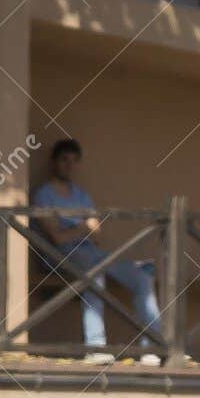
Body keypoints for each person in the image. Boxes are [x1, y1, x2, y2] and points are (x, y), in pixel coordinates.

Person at [31, 139, 164, 366]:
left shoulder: (81, 195)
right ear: (54, 162)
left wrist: (76, 229)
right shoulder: (45, 194)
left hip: (91, 252)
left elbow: (97, 233)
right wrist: (84, 227)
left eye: (74, 161)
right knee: (94, 273)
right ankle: (96, 347)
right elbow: (57, 238)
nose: (69, 165)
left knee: (143, 276)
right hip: (59, 256)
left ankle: (152, 347)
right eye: (64, 160)